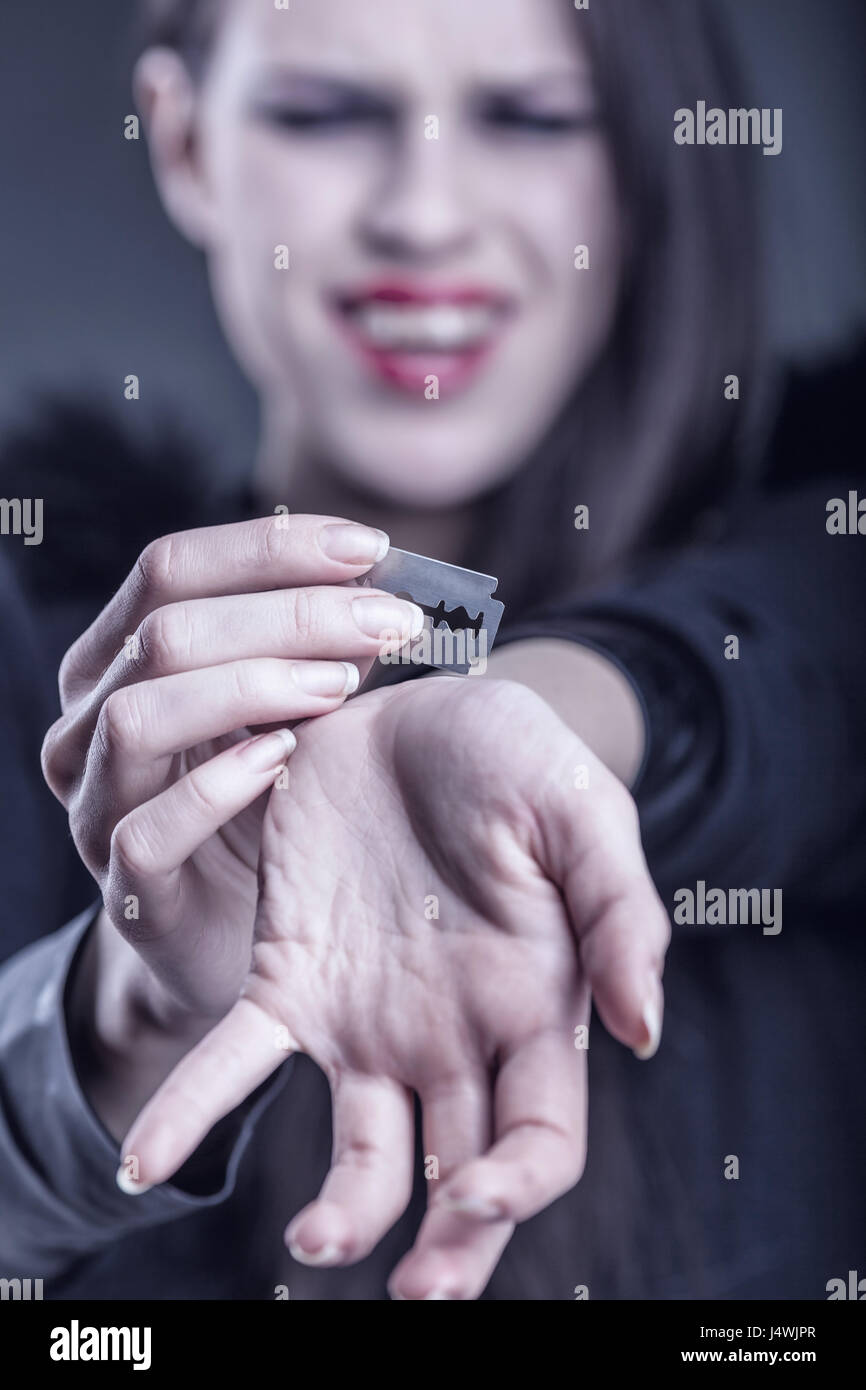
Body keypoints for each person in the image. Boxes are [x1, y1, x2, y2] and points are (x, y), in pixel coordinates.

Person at [0, 0, 864, 1299]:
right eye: (324, 113)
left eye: (530, 117)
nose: (423, 212)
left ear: (642, 154)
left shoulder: (818, 569)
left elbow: (793, 662)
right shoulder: (39, 655)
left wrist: (527, 721)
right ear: (182, 143)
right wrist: (114, 1022)